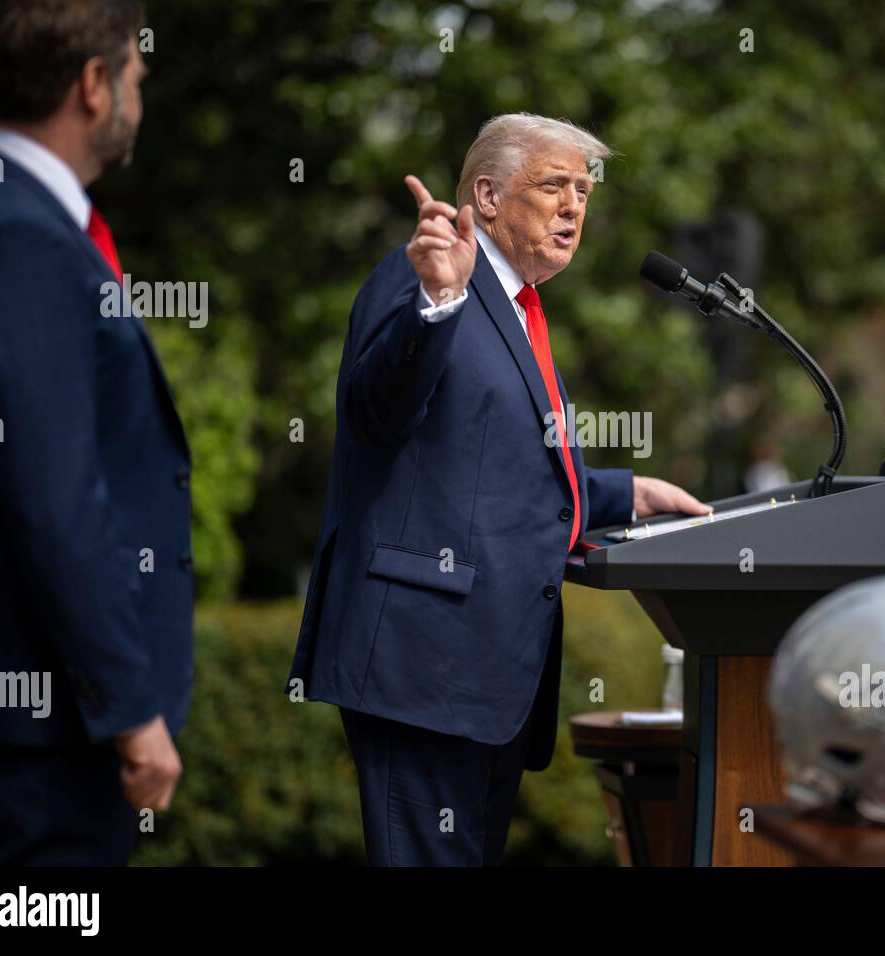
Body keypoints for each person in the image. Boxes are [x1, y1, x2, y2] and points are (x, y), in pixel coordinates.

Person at [288, 113, 708, 866]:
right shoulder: (428, 276)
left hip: (482, 672)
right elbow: (376, 415)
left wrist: (627, 493)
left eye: (583, 190)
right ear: (485, 195)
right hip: (422, 661)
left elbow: (503, 473)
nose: (574, 206)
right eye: (553, 185)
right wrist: (438, 303)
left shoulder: (517, 309)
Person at [0, 0, 190, 865]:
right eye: (134, 71)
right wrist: (127, 709)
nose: (140, 87)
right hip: (35, 744)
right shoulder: (25, 240)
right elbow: (55, 499)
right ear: (94, 85)